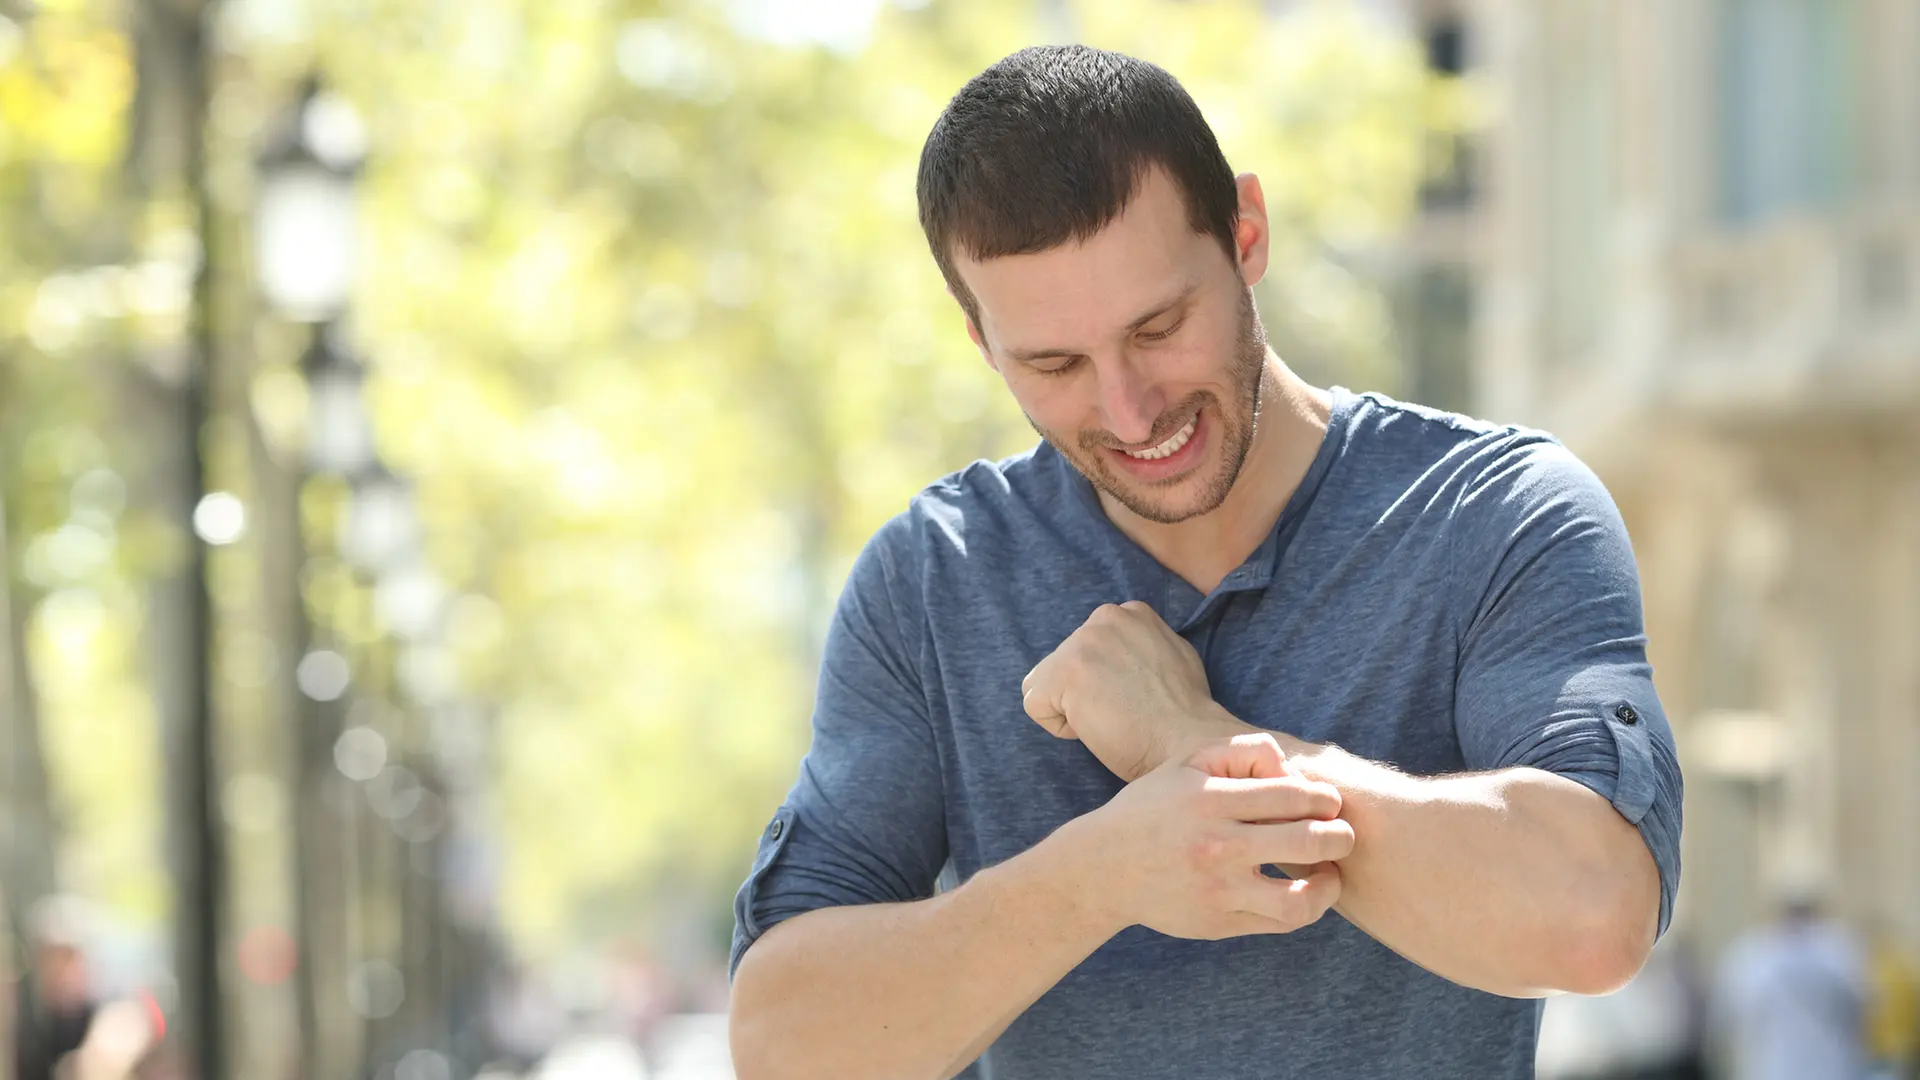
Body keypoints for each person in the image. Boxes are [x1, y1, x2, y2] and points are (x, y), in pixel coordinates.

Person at [727, 45, 1683, 1080]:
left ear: (1246, 233)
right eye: (1055, 364)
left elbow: (1593, 917)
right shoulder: (934, 581)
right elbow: (783, 1044)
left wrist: (1201, 744)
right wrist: (1101, 873)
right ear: (980, 341)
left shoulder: (1493, 514)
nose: (1130, 409)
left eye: (1159, 326)